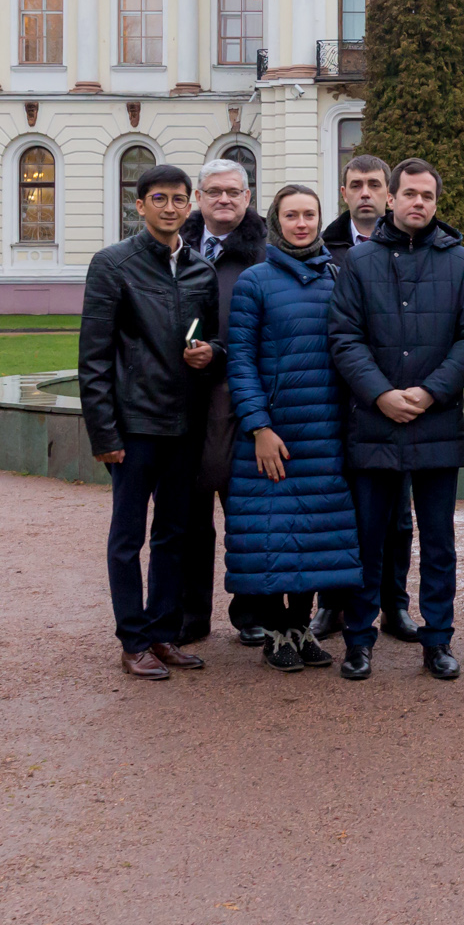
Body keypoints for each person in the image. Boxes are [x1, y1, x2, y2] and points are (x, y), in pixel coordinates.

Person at [327, 157, 464, 680]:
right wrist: (380, 395)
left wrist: (429, 391)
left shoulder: (459, 261)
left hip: (434, 420)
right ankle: (359, 639)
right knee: (368, 539)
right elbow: (343, 337)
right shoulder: (360, 261)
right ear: (392, 199)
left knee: (438, 542)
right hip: (375, 421)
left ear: (436, 203)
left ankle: (437, 640)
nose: (419, 203)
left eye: (429, 196)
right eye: (411, 194)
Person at [78, 163, 219, 681]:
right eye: (159, 198)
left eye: (179, 199)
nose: (170, 207)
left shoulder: (201, 270)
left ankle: (163, 633)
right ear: (139, 206)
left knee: (175, 533)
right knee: (127, 537)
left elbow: (217, 341)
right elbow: (93, 357)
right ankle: (132, 640)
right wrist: (104, 433)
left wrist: (212, 351)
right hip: (134, 427)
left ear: (191, 205)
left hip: (184, 424)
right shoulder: (113, 265)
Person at [223, 183, 362, 671]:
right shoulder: (255, 281)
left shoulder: (338, 278)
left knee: (314, 538)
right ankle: (275, 632)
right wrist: (259, 425)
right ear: (276, 221)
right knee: (269, 536)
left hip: (324, 432)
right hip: (272, 436)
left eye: (309, 215)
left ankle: (300, 627)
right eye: (291, 215)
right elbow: (239, 361)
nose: (301, 223)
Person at [318, 153, 420, 646]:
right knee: (337, 510)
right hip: (333, 400)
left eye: (373, 184)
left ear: (389, 194)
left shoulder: (409, 247)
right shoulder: (320, 248)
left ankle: (394, 604)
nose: (364, 192)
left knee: (397, 516)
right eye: (355, 184)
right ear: (344, 193)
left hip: (389, 404)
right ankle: (332, 604)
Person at [179, 156, 267, 647]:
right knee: (189, 516)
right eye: (214, 191)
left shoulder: (267, 254)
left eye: (234, 191)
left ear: (248, 197)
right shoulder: (175, 248)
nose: (224, 199)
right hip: (184, 401)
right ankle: (191, 614)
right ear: (199, 198)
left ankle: (250, 610)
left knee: (247, 513)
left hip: (243, 398)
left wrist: (222, 353)